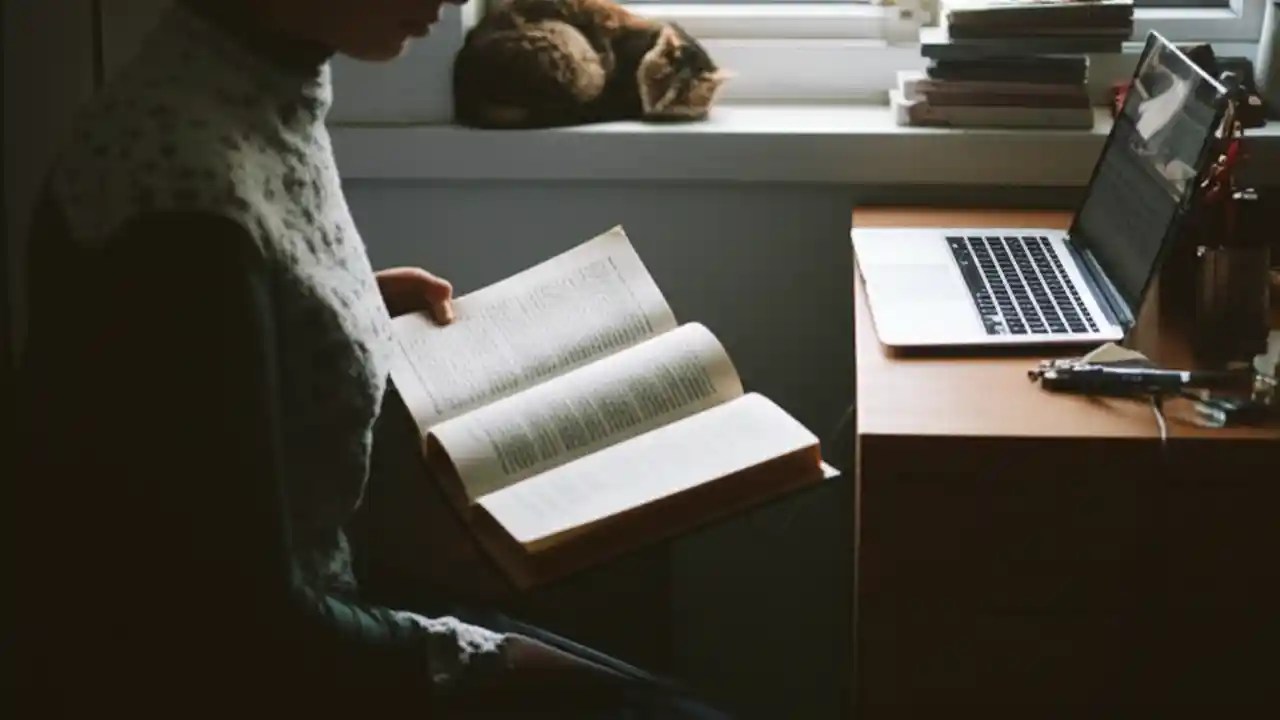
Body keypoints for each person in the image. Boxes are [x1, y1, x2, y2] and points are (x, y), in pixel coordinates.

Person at [13, 1, 731, 717]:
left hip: (313, 602)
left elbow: (203, 349)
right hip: (232, 666)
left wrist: (343, 293)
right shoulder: (184, 208)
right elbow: (243, 621)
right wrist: (496, 660)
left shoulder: (245, 83)